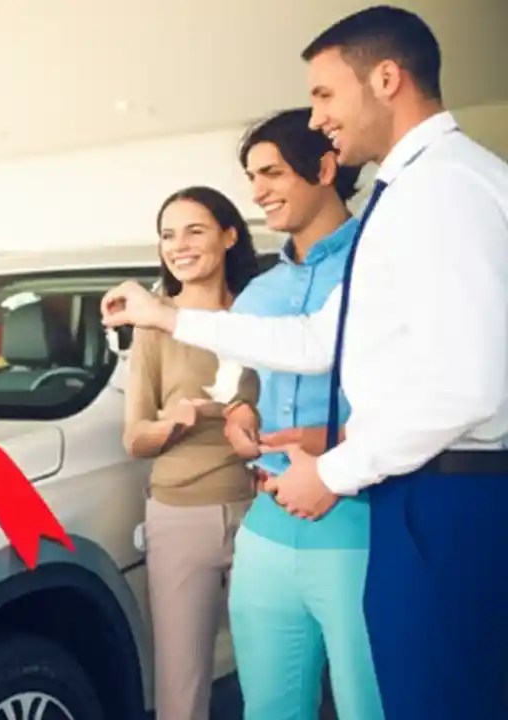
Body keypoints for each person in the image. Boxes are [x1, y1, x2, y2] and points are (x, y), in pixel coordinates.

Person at [100, 7, 508, 719]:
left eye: (323, 94)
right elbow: (319, 340)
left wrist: (333, 472)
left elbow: (470, 386)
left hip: (445, 498)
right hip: (413, 493)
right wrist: (163, 315)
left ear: (387, 79)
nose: (317, 117)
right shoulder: (408, 194)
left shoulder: (444, 189)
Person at [221, 108, 383, 720]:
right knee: (268, 709)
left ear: (325, 168)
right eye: (252, 177)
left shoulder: (381, 266)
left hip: (361, 523)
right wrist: (239, 407)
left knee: (372, 707)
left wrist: (333, 438)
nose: (257, 192)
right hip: (266, 525)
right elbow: (242, 375)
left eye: (272, 173)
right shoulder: (259, 292)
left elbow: (425, 394)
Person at [123, 186, 260, 720]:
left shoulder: (260, 315)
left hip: (265, 511)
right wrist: (175, 423)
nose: (179, 245)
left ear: (229, 236)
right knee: (182, 690)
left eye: (194, 230)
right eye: (168, 235)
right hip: (181, 516)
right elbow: (134, 438)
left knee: (277, 678)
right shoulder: (154, 327)